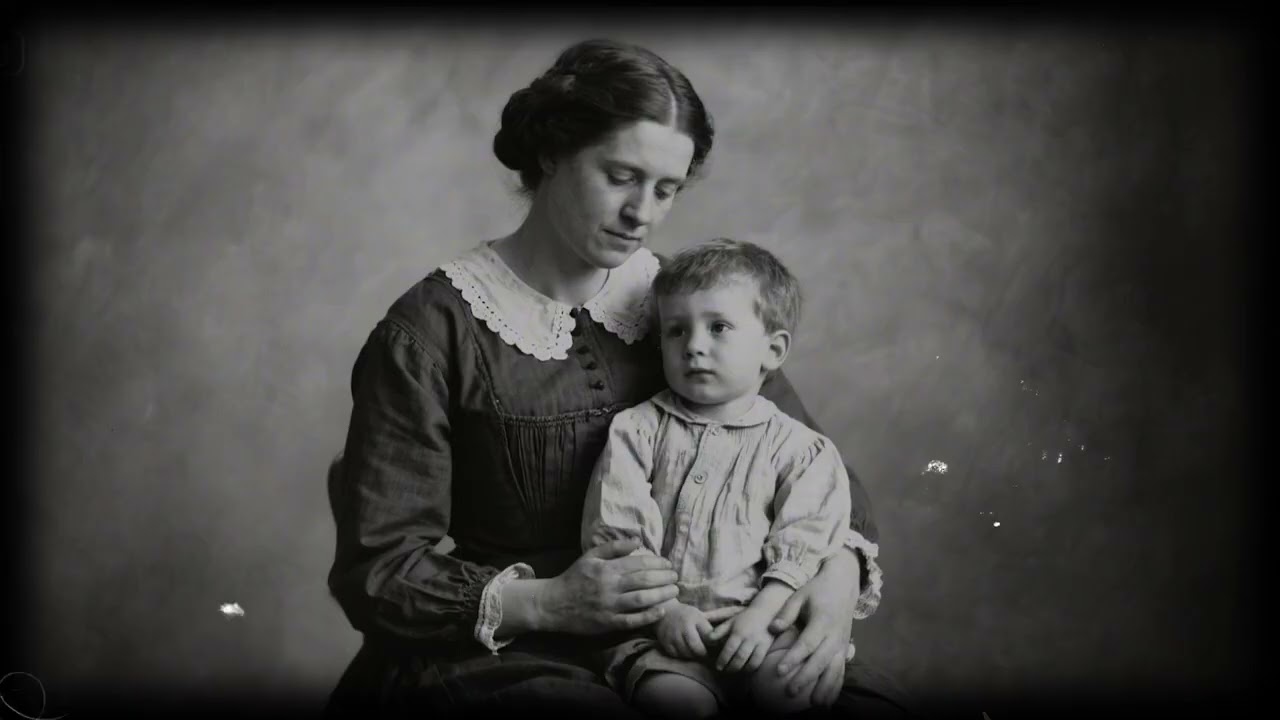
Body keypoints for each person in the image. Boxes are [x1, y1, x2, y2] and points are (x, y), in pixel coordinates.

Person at [324, 38, 911, 718]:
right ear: (551, 153)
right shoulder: (431, 330)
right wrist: (549, 601)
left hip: (710, 632)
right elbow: (380, 570)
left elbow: (811, 463)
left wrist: (837, 580)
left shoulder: (685, 304)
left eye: (666, 189)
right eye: (621, 176)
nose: (645, 214)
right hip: (511, 656)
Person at [581, 238, 867, 718]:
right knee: (675, 703)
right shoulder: (637, 429)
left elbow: (806, 542)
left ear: (772, 350)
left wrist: (761, 617)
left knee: (790, 690)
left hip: (764, 623)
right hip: (663, 629)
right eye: (676, 331)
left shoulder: (802, 449)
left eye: (719, 328)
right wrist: (668, 613)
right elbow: (618, 532)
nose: (694, 345)